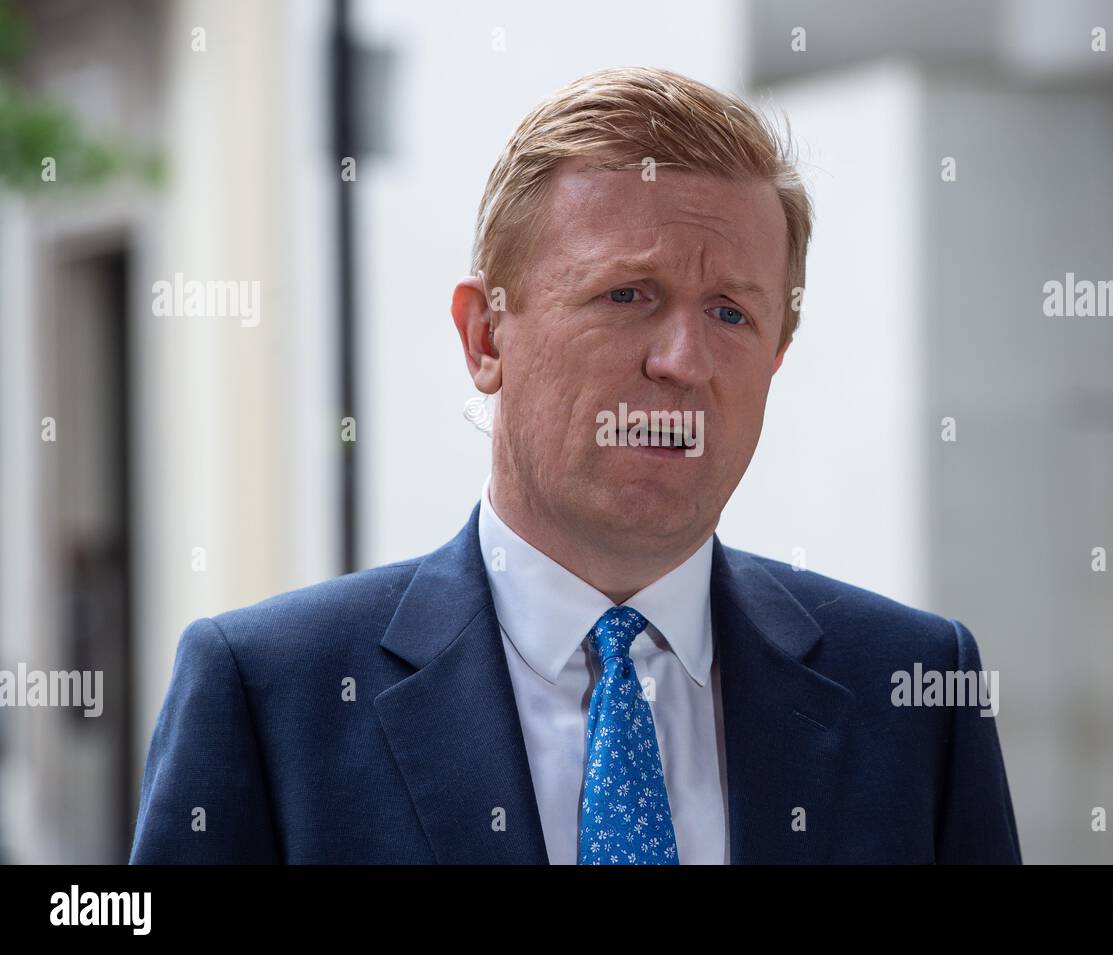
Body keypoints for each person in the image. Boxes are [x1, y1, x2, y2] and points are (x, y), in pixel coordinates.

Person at [130, 66, 1021, 865]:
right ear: (486, 336)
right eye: (628, 295)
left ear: (777, 353)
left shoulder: (912, 692)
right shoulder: (269, 695)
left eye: (730, 313)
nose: (683, 361)